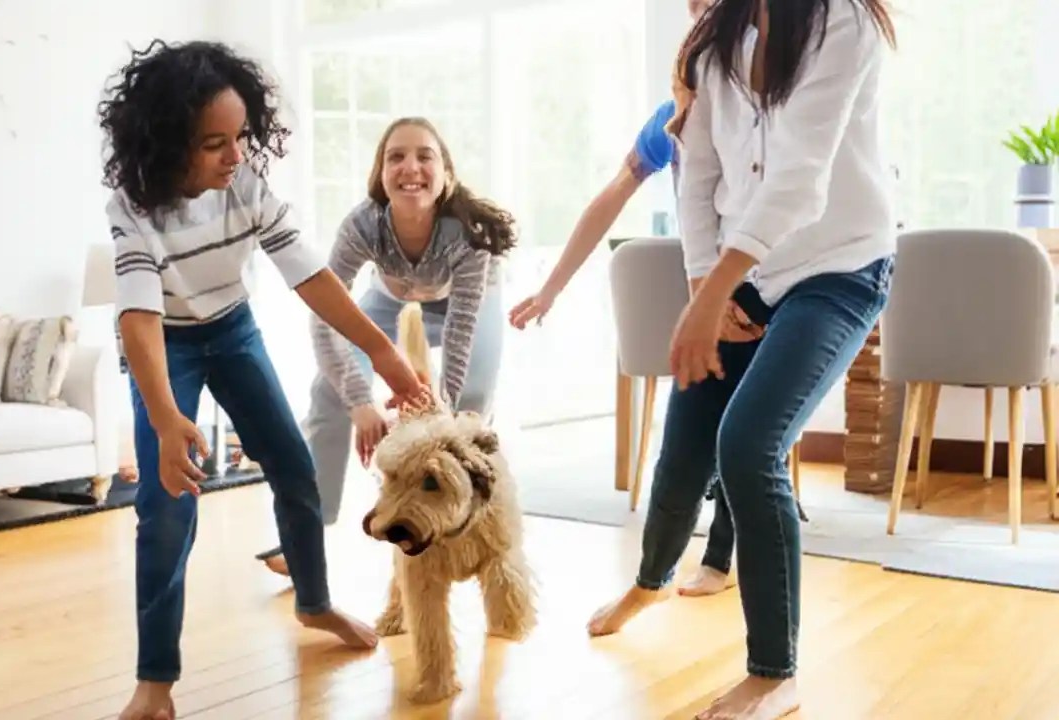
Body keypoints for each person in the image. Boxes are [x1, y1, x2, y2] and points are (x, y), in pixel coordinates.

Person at [95, 40, 430, 720]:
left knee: (294, 468)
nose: (236, 155)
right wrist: (164, 422)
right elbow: (138, 317)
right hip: (167, 345)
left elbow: (309, 275)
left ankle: (313, 602)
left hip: (233, 327)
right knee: (166, 510)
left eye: (241, 136)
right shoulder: (134, 204)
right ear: (168, 144)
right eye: (214, 142)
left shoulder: (244, 186)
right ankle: (154, 682)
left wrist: (384, 355)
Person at [584, 1, 897, 718]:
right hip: (744, 272)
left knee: (749, 444)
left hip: (841, 267)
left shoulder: (841, 21)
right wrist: (704, 284)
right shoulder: (710, 45)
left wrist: (715, 288)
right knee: (686, 442)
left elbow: (802, 178)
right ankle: (651, 579)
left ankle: (772, 671)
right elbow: (697, 180)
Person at [509, 0, 750, 599]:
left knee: (750, 429)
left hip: (769, 288)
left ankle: (721, 558)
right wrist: (551, 287)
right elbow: (610, 198)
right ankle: (668, 568)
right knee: (699, 433)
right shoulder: (673, 119)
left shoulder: (763, 112)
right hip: (705, 295)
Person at [257, 116, 515, 577]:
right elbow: (324, 316)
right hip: (390, 301)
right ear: (379, 174)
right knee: (328, 393)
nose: (409, 167)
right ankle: (308, 533)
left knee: (469, 409)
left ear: (446, 176)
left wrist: (439, 408)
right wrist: (359, 401)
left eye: (424, 156)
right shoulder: (363, 224)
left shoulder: (469, 232)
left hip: (465, 308)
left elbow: (459, 332)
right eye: (395, 156)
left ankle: (466, 525)